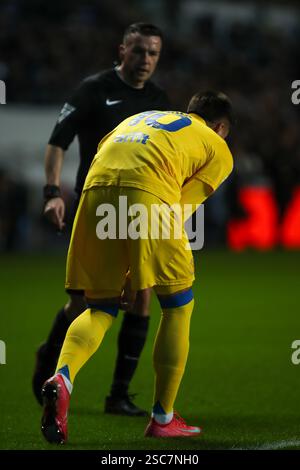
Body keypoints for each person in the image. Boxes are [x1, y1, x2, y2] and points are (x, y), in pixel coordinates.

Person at [40, 90, 234, 443]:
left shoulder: (138, 119)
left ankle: (63, 377)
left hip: (94, 193)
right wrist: (139, 270)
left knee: (100, 306)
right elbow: (179, 207)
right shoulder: (217, 145)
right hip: (148, 195)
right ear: (221, 127)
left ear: (189, 110)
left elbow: (104, 155)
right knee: (178, 305)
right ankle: (163, 418)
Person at [33, 23, 170, 416]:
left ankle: (118, 395)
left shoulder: (159, 100)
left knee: (142, 295)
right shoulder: (93, 89)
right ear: (122, 49)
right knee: (84, 303)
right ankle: (49, 361)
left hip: (136, 210)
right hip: (94, 208)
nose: (146, 60)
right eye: (139, 51)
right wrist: (52, 193)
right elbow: (58, 141)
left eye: (153, 54)